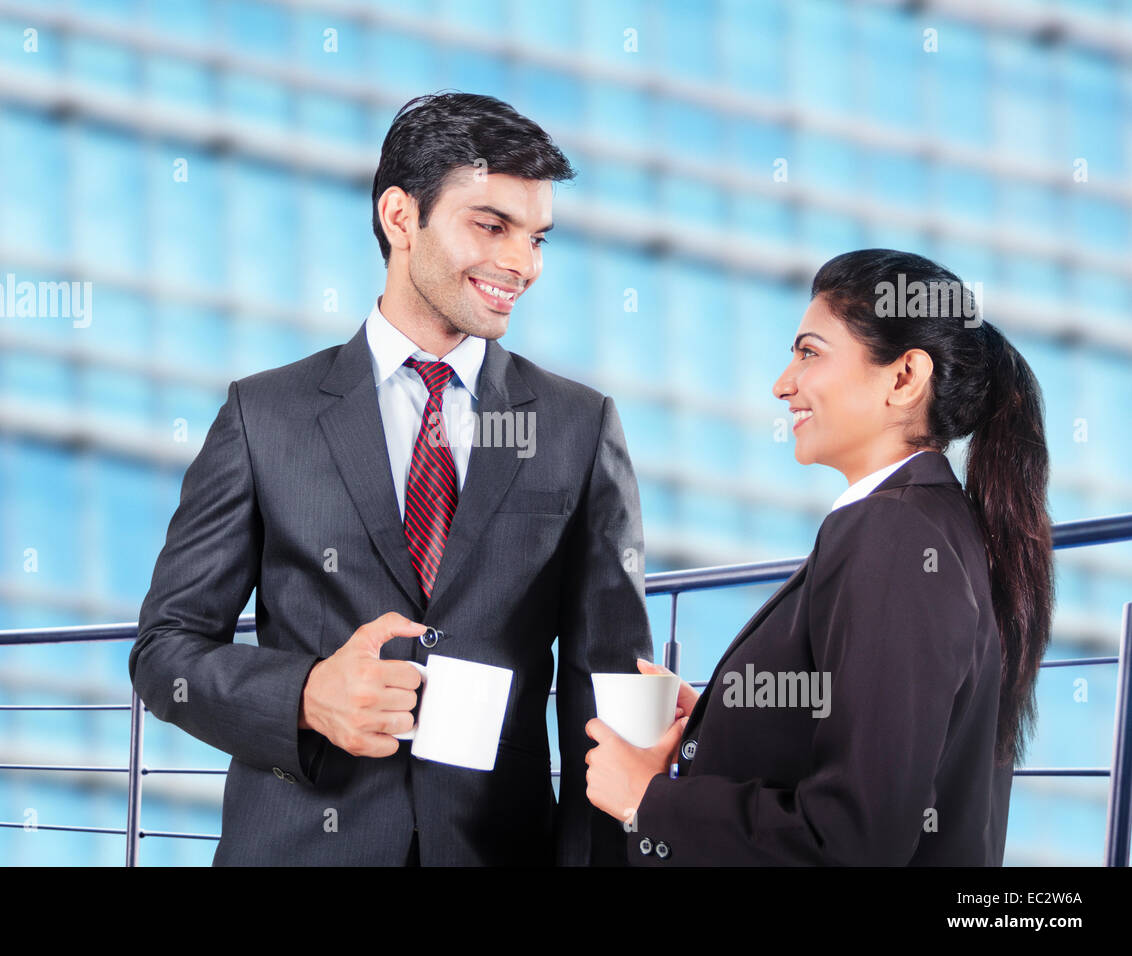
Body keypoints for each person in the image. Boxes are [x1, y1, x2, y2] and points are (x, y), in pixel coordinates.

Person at [130, 92, 653, 866]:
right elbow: (165, 651)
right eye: (492, 226)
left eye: (537, 237)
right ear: (401, 217)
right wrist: (305, 695)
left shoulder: (578, 427)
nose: (522, 264)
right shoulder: (264, 416)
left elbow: (606, 694)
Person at [584, 249, 1054, 865]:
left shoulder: (896, 535)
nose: (784, 384)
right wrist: (726, 717)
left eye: (810, 352)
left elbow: (854, 838)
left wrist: (646, 802)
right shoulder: (921, 521)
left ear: (904, 378)